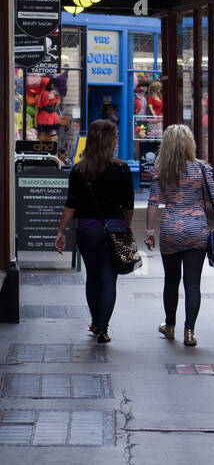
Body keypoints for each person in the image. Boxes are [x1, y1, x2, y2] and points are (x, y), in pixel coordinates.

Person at [144, 124, 214, 348]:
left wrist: (149, 232)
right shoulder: (202, 169)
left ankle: (169, 325)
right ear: (190, 143)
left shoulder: (160, 170)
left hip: (171, 229)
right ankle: (189, 331)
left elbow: (153, 202)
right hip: (196, 230)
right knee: (193, 283)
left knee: (171, 280)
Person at [54, 118, 134, 344]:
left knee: (93, 276)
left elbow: (71, 204)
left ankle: (96, 321)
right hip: (115, 228)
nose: (117, 140)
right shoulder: (122, 168)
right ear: (109, 141)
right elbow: (128, 205)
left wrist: (60, 231)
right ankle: (103, 328)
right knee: (109, 278)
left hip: (87, 230)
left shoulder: (79, 170)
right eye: (115, 136)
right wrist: (125, 228)